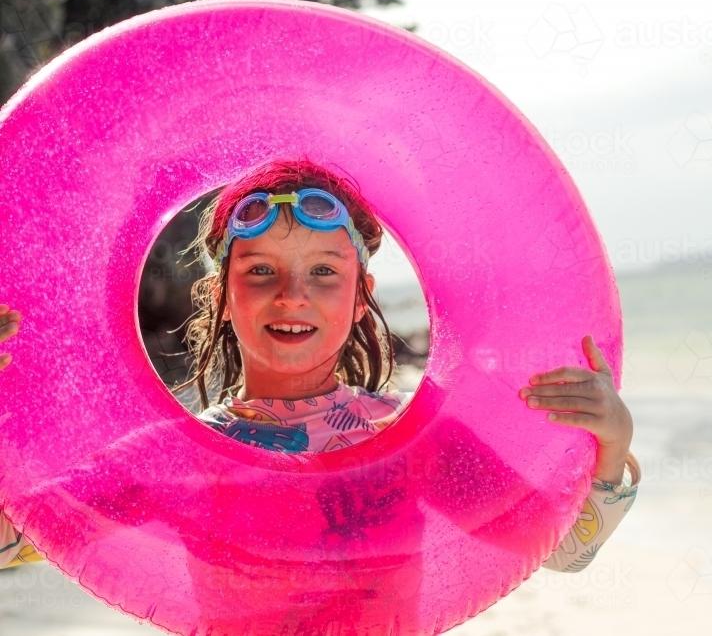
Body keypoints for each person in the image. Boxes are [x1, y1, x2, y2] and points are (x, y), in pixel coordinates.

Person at [0, 159, 640, 588]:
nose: (292, 295)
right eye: (259, 272)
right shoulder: (175, 456)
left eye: (325, 273)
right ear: (220, 296)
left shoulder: (411, 441)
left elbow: (561, 549)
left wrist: (609, 449)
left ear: (361, 297)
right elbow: (18, 538)